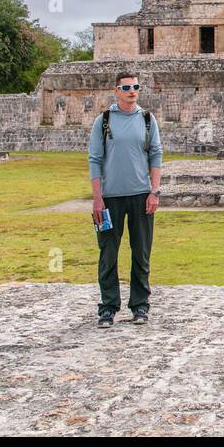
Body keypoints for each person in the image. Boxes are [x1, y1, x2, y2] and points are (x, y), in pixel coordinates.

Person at [88, 72, 163, 327]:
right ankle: (108, 306)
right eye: (127, 87)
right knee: (108, 253)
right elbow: (95, 160)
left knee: (141, 252)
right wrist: (97, 198)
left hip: (141, 194)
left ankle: (140, 305)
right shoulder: (104, 120)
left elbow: (156, 156)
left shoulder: (147, 120)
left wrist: (155, 191)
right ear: (116, 90)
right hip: (110, 197)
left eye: (136, 87)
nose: (132, 91)